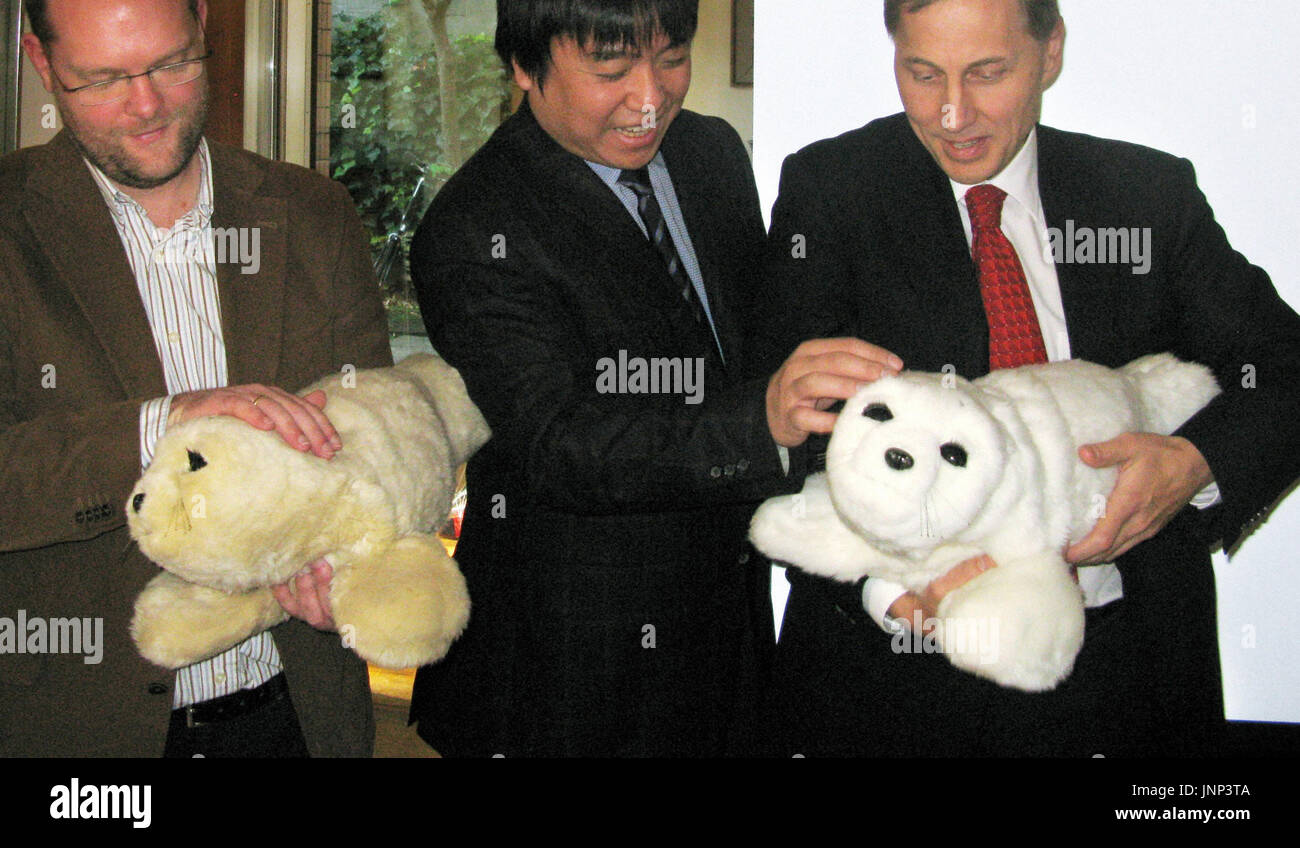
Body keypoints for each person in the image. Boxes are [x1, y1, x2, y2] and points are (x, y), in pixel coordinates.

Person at [752, 0, 1300, 756]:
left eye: (987, 73)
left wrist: (1193, 464)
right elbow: (786, 425)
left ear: (1051, 52)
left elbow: (1285, 370)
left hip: (1129, 675)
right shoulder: (834, 191)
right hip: (897, 693)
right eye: (922, 74)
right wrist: (889, 589)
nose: (953, 113)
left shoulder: (1145, 195)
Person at [407, 0, 895, 756]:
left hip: (727, 627)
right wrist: (759, 426)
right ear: (525, 66)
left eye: (671, 58)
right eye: (611, 69)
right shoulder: (476, 224)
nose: (649, 98)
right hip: (573, 664)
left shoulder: (708, 151)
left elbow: (741, 341)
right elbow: (560, 442)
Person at [0, 0, 391, 756]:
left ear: (203, 23)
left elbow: (374, 429)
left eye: (172, 63)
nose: (146, 105)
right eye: (103, 79)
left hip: (298, 713)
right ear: (41, 62)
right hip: (83, 729)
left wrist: (353, 561)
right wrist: (166, 424)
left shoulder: (312, 212)